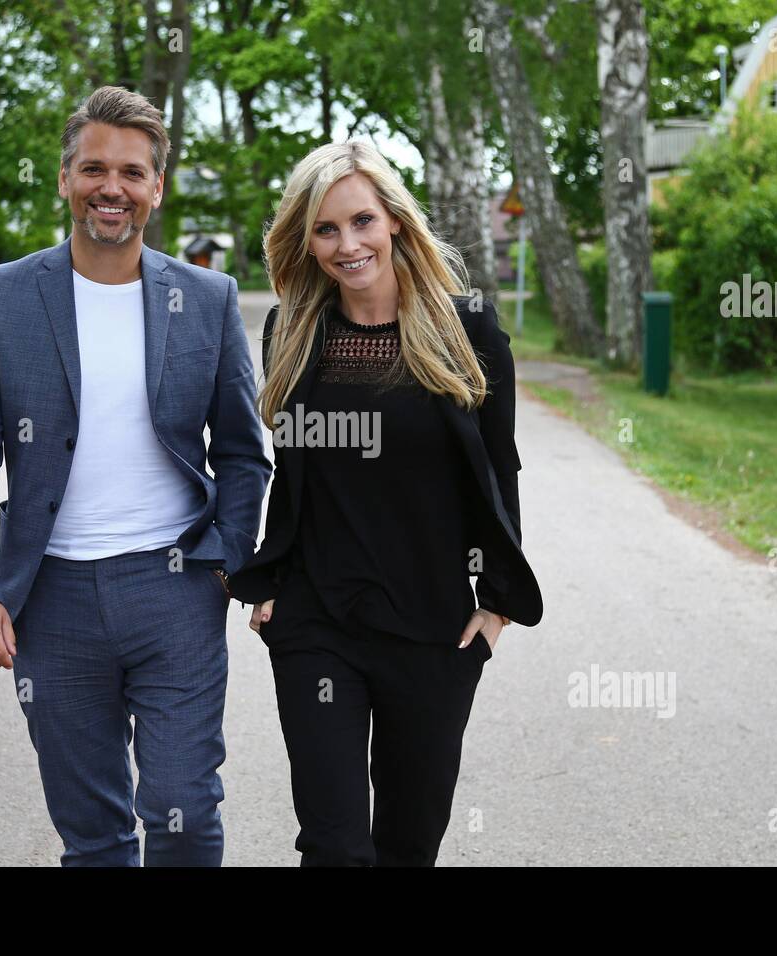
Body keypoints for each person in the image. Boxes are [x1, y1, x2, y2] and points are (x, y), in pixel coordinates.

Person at [0, 86, 271, 866]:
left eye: (130, 172)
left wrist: (230, 555)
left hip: (177, 587)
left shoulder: (209, 298)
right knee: (91, 830)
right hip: (49, 600)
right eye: (93, 169)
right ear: (65, 179)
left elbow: (244, 449)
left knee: (184, 804)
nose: (109, 188)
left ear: (157, 186)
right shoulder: (2, 297)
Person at [227, 139, 544, 866]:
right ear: (304, 240)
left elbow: (501, 470)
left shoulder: (470, 331)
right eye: (326, 229)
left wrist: (494, 609)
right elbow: (292, 467)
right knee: (335, 847)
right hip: (318, 625)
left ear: (396, 221)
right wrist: (272, 581)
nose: (348, 244)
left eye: (362, 221)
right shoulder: (292, 330)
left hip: (433, 631)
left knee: (408, 843)